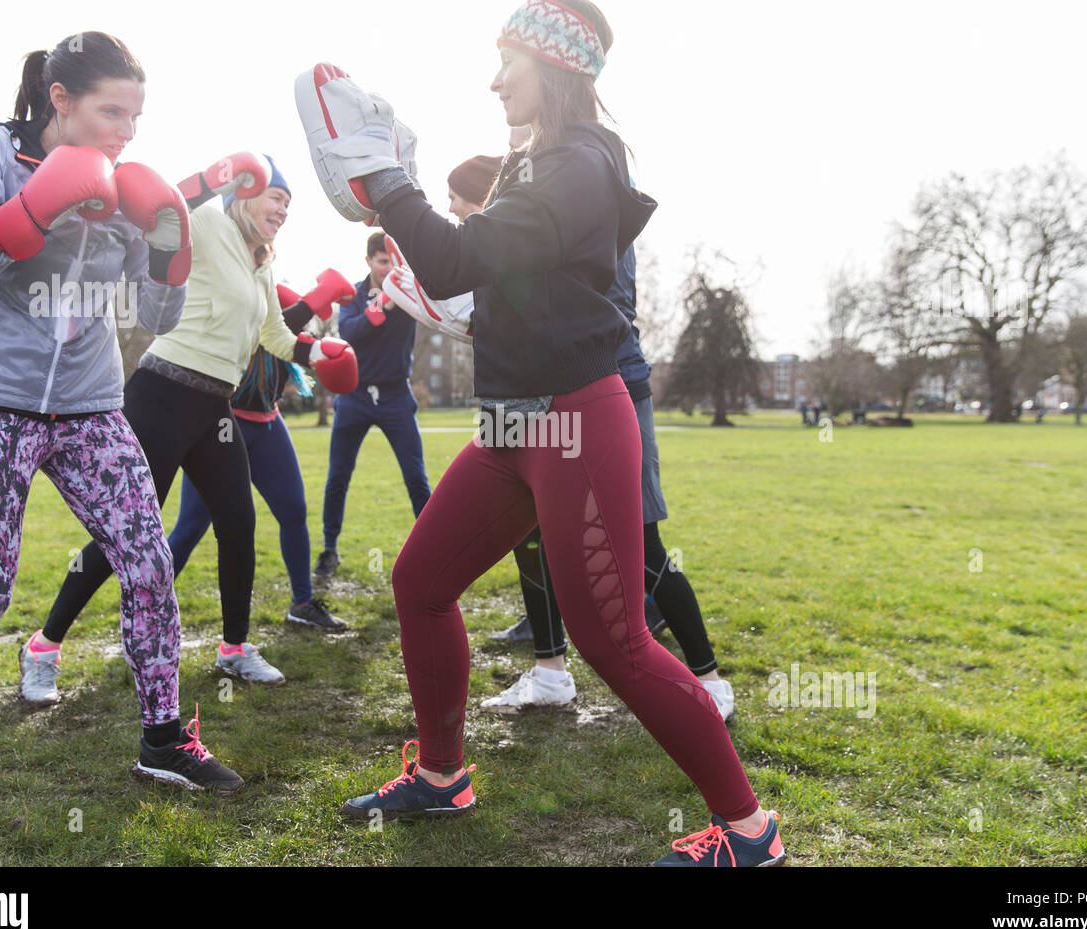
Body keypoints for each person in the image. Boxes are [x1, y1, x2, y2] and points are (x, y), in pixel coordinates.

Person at [300, 0, 785, 866]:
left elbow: (455, 255)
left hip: (573, 420)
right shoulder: (534, 163)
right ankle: (444, 777)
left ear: (554, 67)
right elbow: (494, 280)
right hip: (512, 423)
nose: (492, 82)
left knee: (614, 642)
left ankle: (751, 832)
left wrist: (384, 182)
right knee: (419, 583)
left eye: (506, 65)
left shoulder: (584, 162)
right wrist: (448, 294)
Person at [0, 32, 244, 815]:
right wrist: (33, 210)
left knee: (148, 563)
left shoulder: (127, 188)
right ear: (60, 100)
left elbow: (155, 315)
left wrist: (167, 248)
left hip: (89, 404)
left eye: (136, 115)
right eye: (111, 110)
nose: (126, 129)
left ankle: (162, 739)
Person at [25, 152, 358, 696]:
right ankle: (44, 646)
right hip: (162, 393)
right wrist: (214, 178)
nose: (283, 210)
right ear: (246, 193)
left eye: (288, 204)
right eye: (277, 197)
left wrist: (318, 347)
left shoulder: (262, 261)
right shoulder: (207, 223)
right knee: (124, 533)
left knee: (238, 523)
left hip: (214, 407)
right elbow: (159, 206)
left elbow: (273, 337)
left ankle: (233, 649)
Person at [443, 154, 736, 719]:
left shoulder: (576, 203)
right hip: (515, 397)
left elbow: (583, 305)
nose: (451, 208)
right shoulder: (513, 222)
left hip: (606, 388)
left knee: (642, 544)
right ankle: (550, 669)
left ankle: (710, 678)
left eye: (456, 196)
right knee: (525, 535)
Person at [166, 233, 348, 633]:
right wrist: (320, 297)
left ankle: (302, 602)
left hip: (268, 425)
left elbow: (288, 331)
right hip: (221, 424)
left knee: (293, 513)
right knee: (192, 527)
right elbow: (268, 329)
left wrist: (323, 324)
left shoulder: (276, 299)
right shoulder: (233, 297)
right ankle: (148, 606)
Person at [313, 232, 431, 582]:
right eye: (383, 261)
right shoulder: (352, 294)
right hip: (355, 395)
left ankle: (432, 549)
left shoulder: (410, 290)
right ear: (369, 262)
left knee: (416, 477)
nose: (389, 268)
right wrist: (381, 306)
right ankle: (329, 549)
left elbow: (435, 308)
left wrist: (403, 295)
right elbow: (348, 331)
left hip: (395, 395)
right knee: (338, 476)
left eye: (394, 261)